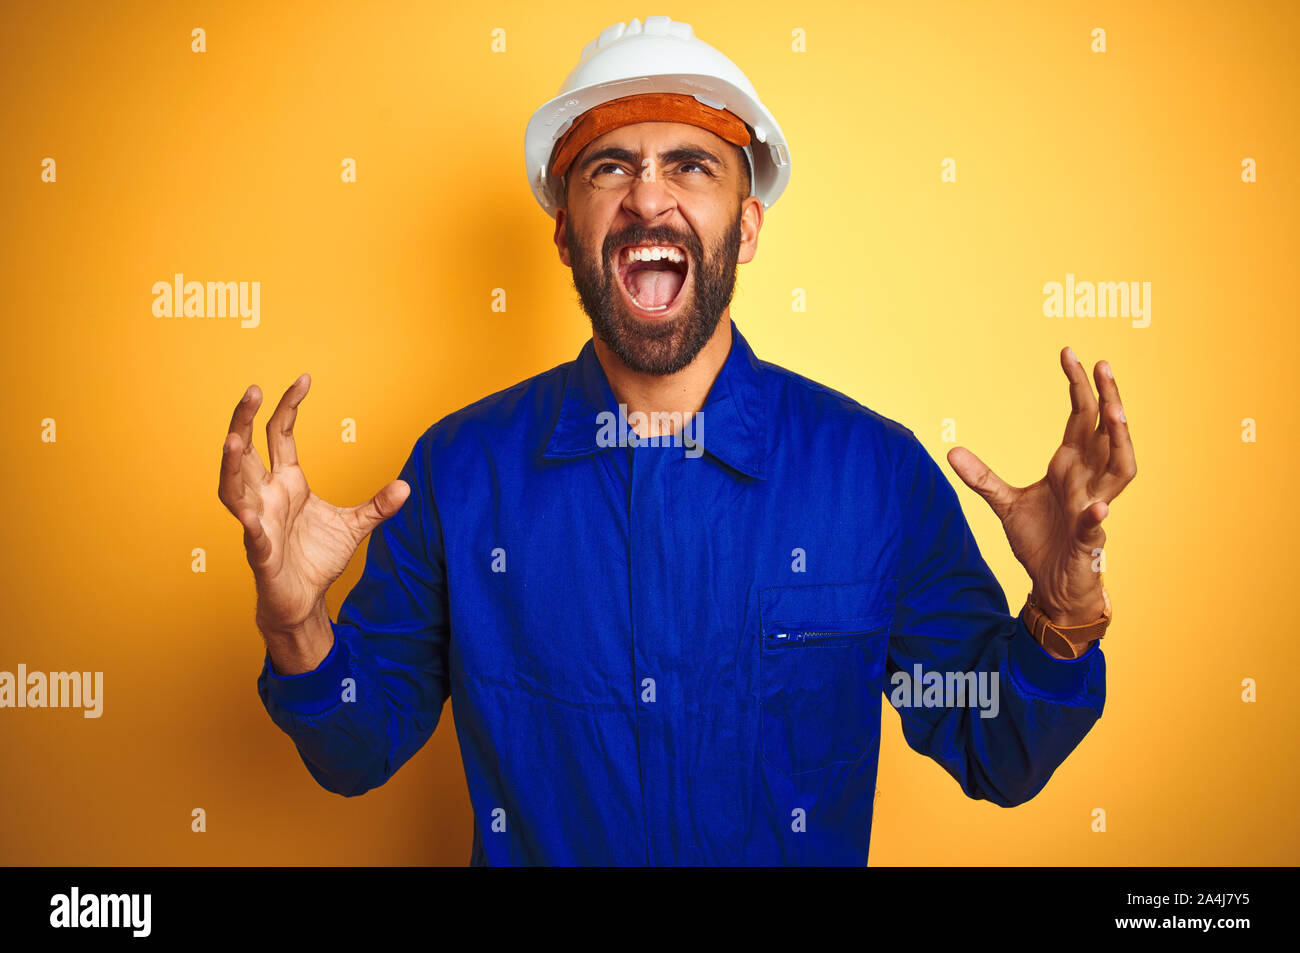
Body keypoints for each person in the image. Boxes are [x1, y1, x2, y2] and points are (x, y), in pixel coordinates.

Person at [217, 16, 1135, 865]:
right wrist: (298, 623)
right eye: (608, 167)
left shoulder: (875, 476)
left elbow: (997, 747)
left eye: (692, 165)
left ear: (747, 223)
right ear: (566, 238)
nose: (647, 197)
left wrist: (1062, 614)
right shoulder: (460, 473)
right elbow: (357, 747)